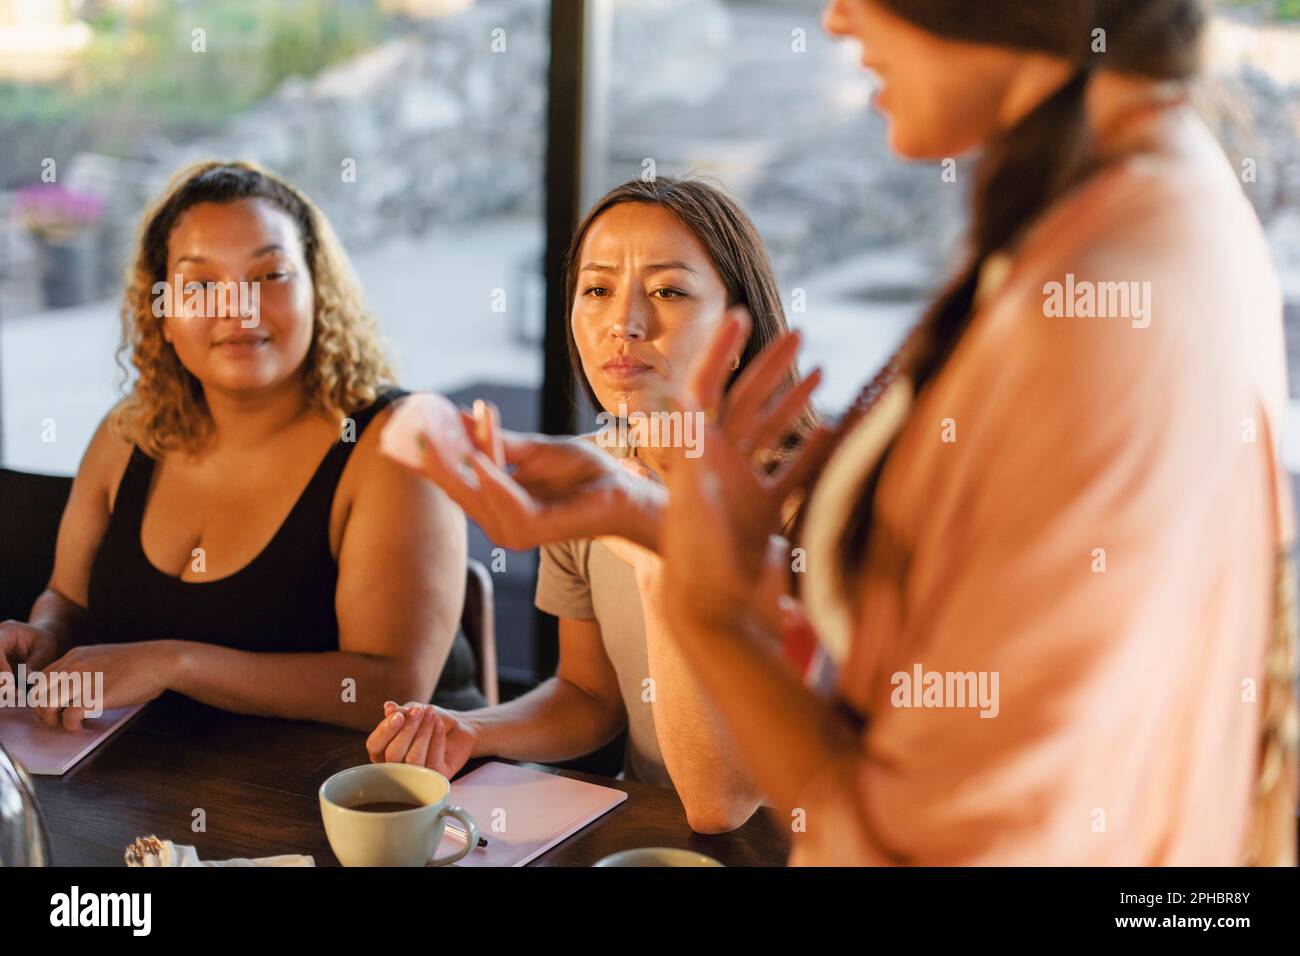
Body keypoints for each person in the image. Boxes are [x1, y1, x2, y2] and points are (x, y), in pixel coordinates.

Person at [383, 0, 1297, 865]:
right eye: (596, 288)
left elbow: (889, 828)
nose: (835, 17)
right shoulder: (1150, 206)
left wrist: (694, 590)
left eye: (668, 290)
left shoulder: (1100, 296)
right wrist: (650, 517)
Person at [366, 177, 817, 833]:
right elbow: (590, 694)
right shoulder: (591, 470)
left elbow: (724, 803)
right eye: (598, 290)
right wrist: (473, 728)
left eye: (668, 291)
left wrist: (651, 542)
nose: (623, 325)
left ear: (737, 329)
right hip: (653, 834)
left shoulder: (802, 505)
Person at [0, 160, 482, 731]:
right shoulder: (125, 434)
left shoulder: (396, 443)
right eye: (201, 285)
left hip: (384, 804)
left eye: (270, 276)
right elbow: (68, 599)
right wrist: (46, 639)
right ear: (163, 314)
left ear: (318, 294)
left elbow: (387, 688)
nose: (238, 308)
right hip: (161, 794)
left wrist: (171, 663)